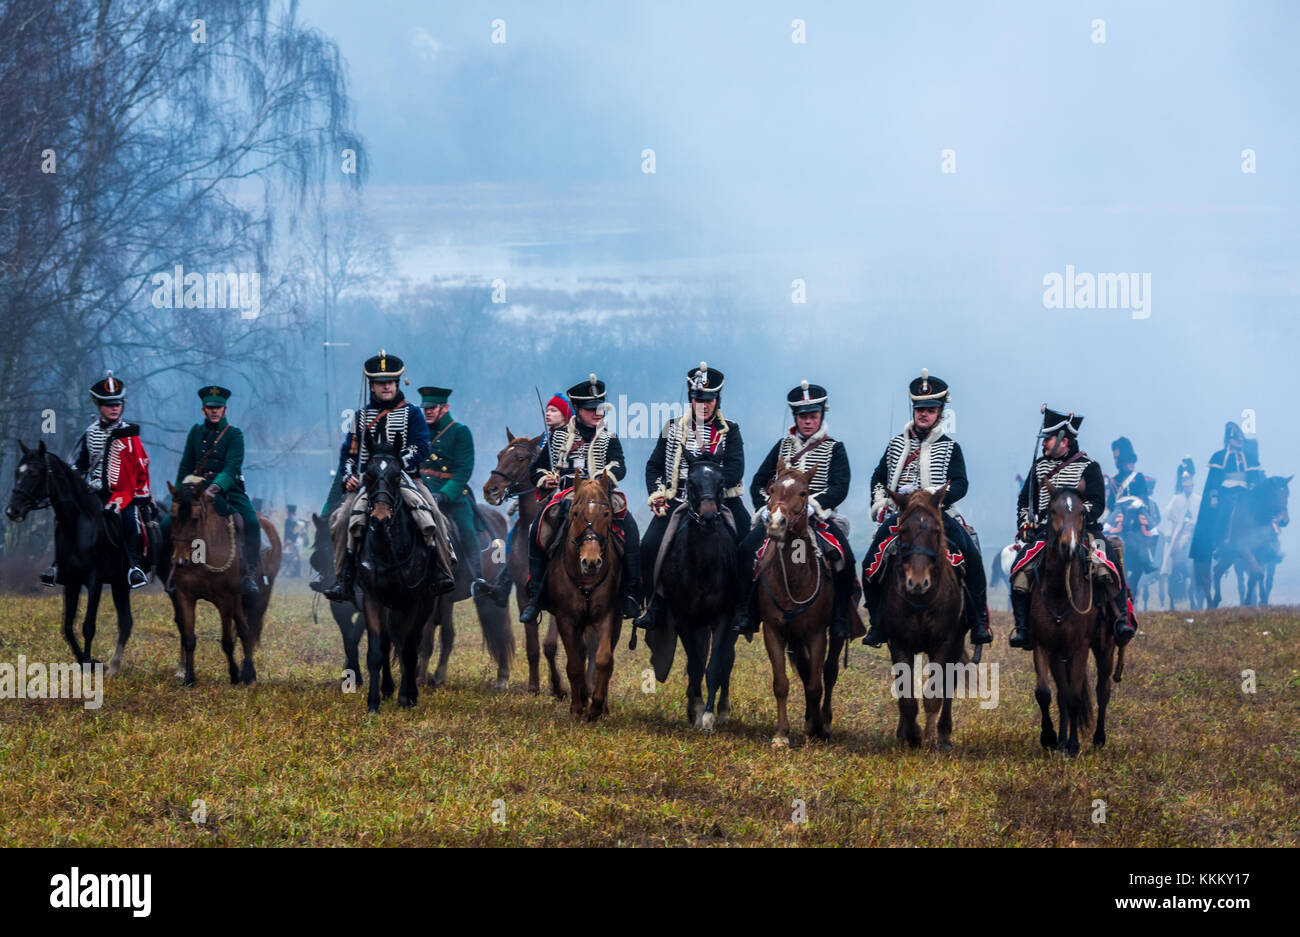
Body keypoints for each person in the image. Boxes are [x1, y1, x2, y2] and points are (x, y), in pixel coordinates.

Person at [860, 370, 991, 646]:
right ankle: (878, 622)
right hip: (901, 515)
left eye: (930, 410)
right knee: (869, 563)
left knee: (972, 557)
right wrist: (881, 504)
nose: (924, 414)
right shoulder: (896, 445)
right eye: (920, 409)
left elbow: (961, 483)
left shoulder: (950, 447)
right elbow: (878, 479)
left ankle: (979, 620)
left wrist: (935, 496)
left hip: (938, 515)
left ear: (940, 413)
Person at [317, 350, 454, 603]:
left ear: (397, 384)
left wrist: (397, 464)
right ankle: (343, 578)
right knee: (341, 519)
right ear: (372, 386)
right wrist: (349, 475)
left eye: (391, 382)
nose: (387, 386)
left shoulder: (412, 414)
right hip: (369, 483)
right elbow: (349, 454)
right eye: (381, 383)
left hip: (405, 479)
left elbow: (421, 446)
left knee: (433, 516)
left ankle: (441, 571)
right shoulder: (361, 417)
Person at [733, 380, 860, 640]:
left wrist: (814, 505)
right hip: (778, 518)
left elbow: (840, 486)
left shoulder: (833, 447)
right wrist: (766, 509)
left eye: (813, 416)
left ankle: (839, 618)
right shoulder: (782, 446)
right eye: (803, 416)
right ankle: (747, 611)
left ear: (821, 416)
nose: (808, 421)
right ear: (796, 418)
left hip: (818, 519)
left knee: (844, 558)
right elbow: (760, 482)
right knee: (746, 551)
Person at [1007, 406, 1137, 650]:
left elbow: (1098, 503)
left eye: (1049, 438)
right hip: (1045, 535)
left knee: (1108, 561)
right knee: (1018, 569)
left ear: (1064, 441)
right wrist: (1025, 523)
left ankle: (1121, 620)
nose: (1044, 443)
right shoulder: (1038, 468)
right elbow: (1025, 501)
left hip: (1084, 531)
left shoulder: (1088, 466)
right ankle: (1023, 627)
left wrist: (1075, 519)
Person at [634, 362, 748, 633]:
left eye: (709, 400)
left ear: (717, 400)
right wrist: (659, 494)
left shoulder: (730, 430)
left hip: (721, 501)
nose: (704, 405)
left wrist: (711, 486)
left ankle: (745, 607)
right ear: (691, 399)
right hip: (680, 500)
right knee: (650, 545)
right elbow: (654, 466)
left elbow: (735, 468)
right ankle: (654, 605)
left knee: (747, 543)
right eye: (698, 399)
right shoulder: (671, 428)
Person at [518, 373, 641, 624]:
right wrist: (547, 479)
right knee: (536, 529)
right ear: (577, 409)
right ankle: (537, 596)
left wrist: (603, 478)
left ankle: (631, 593)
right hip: (566, 496)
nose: (598, 413)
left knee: (630, 526)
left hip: (601, 495)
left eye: (600, 408)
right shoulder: (559, 436)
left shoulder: (609, 437)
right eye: (590, 409)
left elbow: (620, 467)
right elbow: (536, 470)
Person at [44, 372, 154, 589]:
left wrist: (137, 493)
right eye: (108, 404)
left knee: (129, 520)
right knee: (64, 517)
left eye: (118, 404)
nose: (115, 408)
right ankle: (58, 565)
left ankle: (134, 567)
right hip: (92, 491)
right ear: (98, 405)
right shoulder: (90, 432)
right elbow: (82, 463)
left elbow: (141, 465)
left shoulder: (129, 434)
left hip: (123, 492)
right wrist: (73, 478)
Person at [165, 385, 262, 595]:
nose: (214, 411)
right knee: (166, 524)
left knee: (252, 523)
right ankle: (171, 572)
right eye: (210, 407)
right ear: (203, 410)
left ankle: (250, 574)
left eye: (218, 407)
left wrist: (215, 488)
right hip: (194, 488)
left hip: (227, 489)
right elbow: (185, 465)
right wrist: (181, 491)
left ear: (225, 409)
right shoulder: (195, 432)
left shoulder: (234, 434)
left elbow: (232, 466)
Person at [477, 393, 571, 607]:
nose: (548, 413)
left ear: (565, 414)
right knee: (513, 535)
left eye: (554, 410)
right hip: (538, 494)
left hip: (563, 494)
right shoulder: (545, 439)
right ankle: (503, 581)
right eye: (547, 410)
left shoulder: (570, 438)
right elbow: (533, 472)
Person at [416, 386, 485, 588]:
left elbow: (464, 470)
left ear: (444, 407)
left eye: (432, 408)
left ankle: (477, 578)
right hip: (421, 492)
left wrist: (445, 494)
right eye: (425, 408)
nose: (427, 411)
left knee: (466, 530)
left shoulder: (460, 432)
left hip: (452, 495)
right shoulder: (419, 432)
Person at [1189, 421, 1264, 575]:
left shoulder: (1249, 457)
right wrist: (1214, 497)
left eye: (1241, 440)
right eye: (1237, 440)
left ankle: (1264, 542)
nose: (1239, 443)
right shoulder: (1219, 456)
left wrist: (1252, 487)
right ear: (1229, 440)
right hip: (1227, 493)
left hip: (1245, 494)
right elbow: (1214, 480)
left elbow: (1254, 477)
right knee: (1223, 513)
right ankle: (1219, 543)